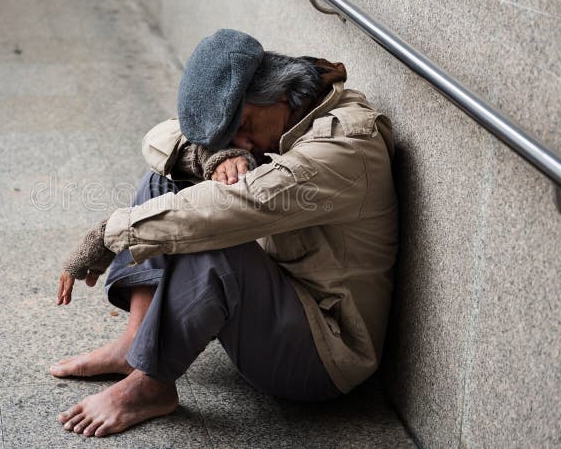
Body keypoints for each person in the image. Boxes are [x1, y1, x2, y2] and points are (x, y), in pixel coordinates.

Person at [51, 28, 398, 438]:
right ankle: (135, 343)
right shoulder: (290, 112)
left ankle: (150, 386)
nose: (245, 143)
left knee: (212, 236)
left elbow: (231, 208)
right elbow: (160, 138)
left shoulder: (344, 146)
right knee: (164, 181)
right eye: (235, 136)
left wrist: (110, 234)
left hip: (323, 352)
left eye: (245, 126)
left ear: (279, 93)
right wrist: (215, 155)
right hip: (275, 297)